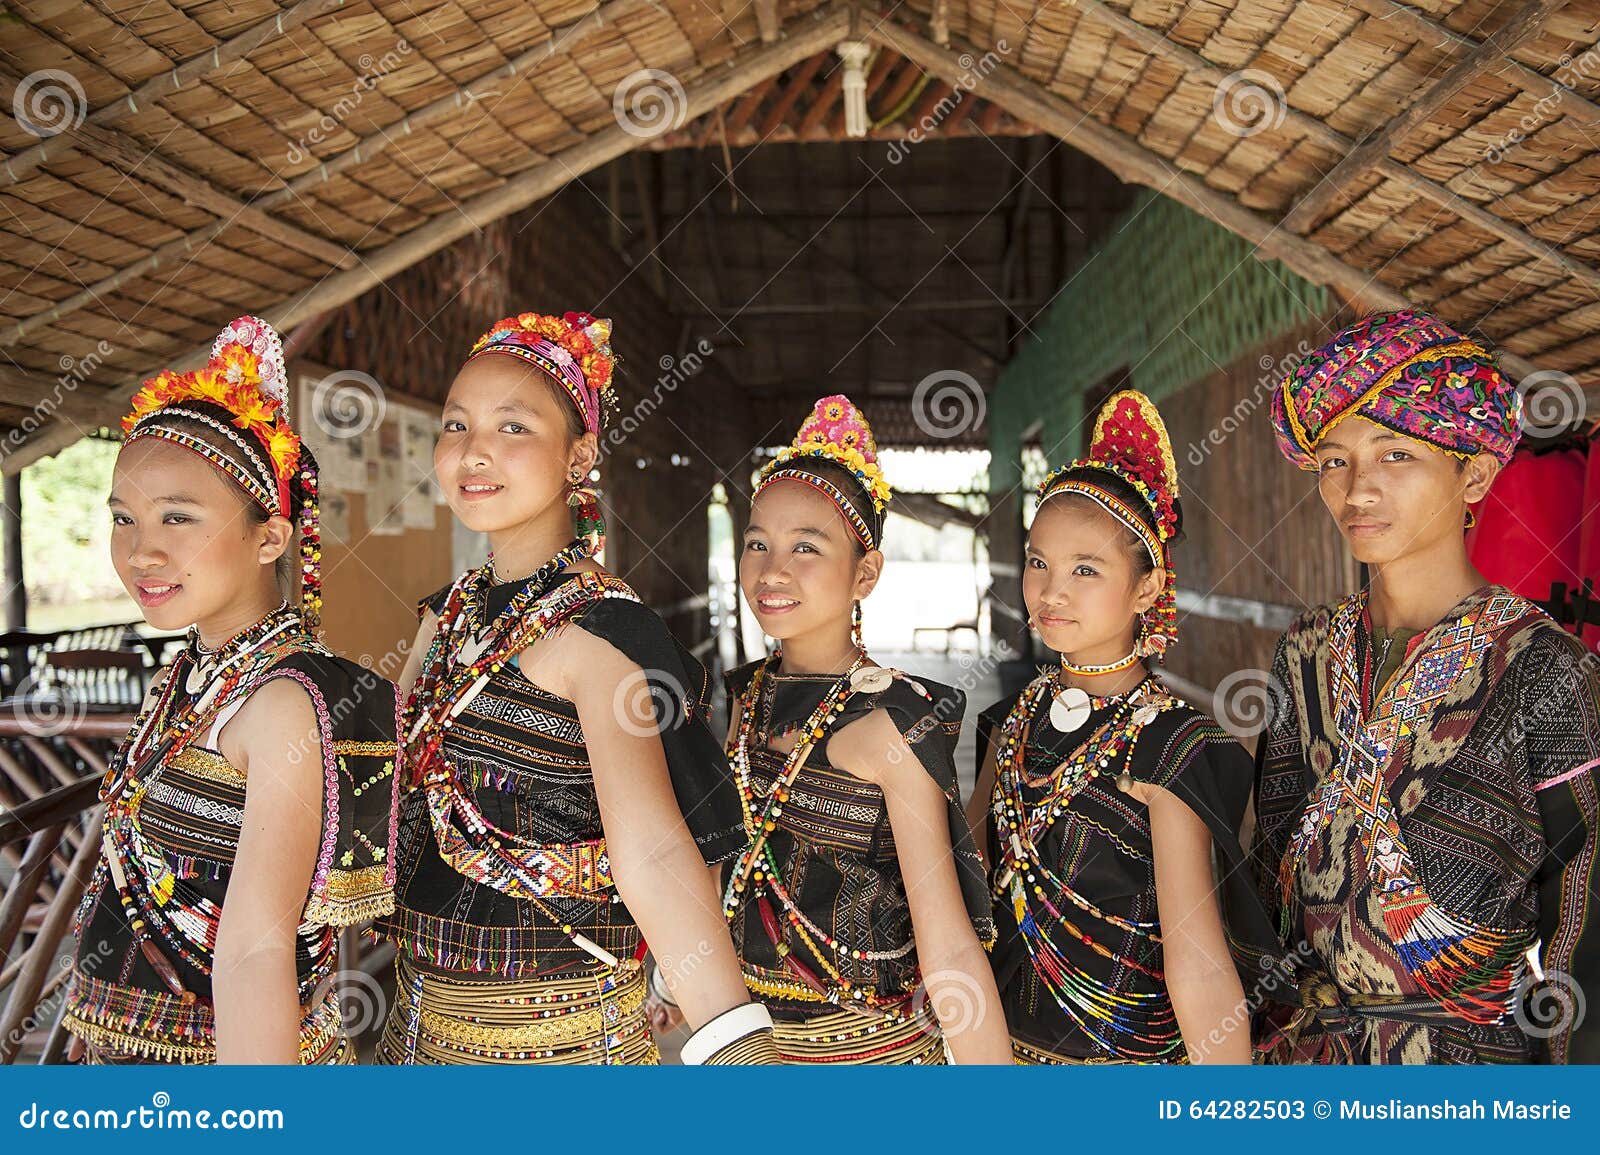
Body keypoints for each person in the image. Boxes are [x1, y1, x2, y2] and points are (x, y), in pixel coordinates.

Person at [374, 310, 777, 1065]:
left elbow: (654, 852)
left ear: (578, 455)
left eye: (514, 427)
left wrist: (734, 1050)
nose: (474, 450)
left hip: (566, 1053)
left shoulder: (603, 635)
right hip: (416, 1038)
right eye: (456, 425)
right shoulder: (443, 618)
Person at [1254, 309, 1600, 1063]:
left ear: (1473, 472)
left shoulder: (1547, 668)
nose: (1358, 489)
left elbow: (1584, 920)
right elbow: (1267, 877)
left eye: (1396, 453)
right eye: (1334, 461)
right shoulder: (1307, 654)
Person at [63, 316, 399, 1063]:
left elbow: (253, 954)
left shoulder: (283, 703)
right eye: (124, 518)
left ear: (271, 538)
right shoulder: (189, 673)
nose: (140, 549)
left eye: (177, 517)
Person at [699, 394, 1008, 1063]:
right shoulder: (749, 695)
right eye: (758, 543)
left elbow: (948, 940)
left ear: (864, 572)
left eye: (806, 546)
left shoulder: (894, 718)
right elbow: (733, 853)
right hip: (750, 1045)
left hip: (872, 1055)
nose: (772, 570)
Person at [967, 389, 1272, 1064]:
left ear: (1147, 587)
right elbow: (967, 877)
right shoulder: (1013, 720)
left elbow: (1197, 959)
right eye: (1039, 561)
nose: (1051, 591)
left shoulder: (1170, 743)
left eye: (1085, 569)